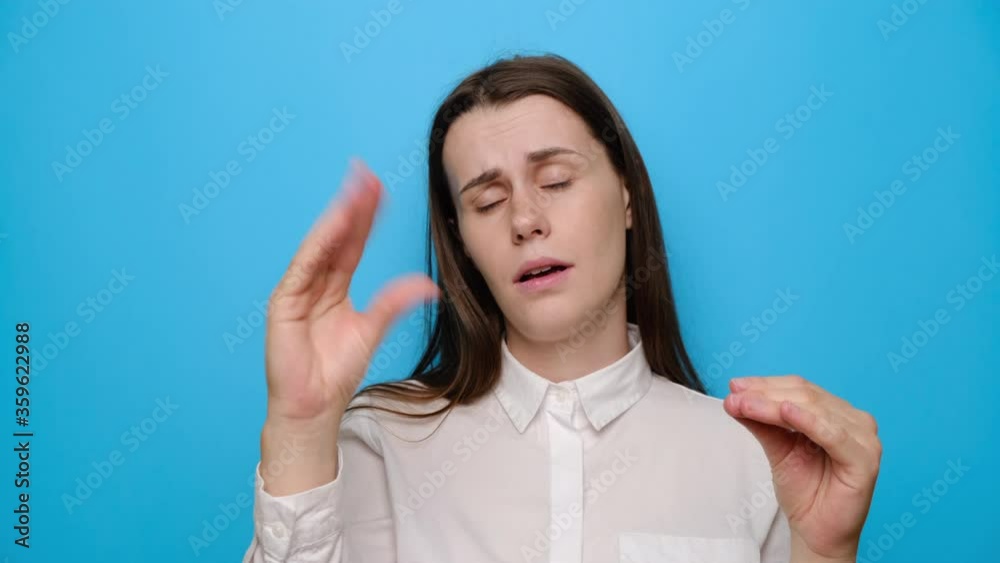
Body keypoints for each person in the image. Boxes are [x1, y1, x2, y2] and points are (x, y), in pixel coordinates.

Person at [243, 54, 881, 563]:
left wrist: (827, 553)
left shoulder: (753, 458)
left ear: (627, 196)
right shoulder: (383, 441)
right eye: (488, 202)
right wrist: (299, 429)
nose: (525, 219)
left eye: (555, 181)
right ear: (463, 244)